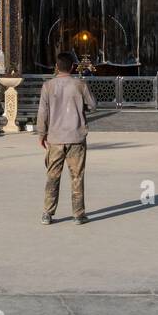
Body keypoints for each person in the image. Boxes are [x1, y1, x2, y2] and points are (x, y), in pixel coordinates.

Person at [38, 51, 97, 225]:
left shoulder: (47, 86)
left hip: (55, 138)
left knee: (52, 176)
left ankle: (47, 213)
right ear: (72, 67)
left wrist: (41, 134)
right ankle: (78, 214)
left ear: (57, 66)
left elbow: (43, 112)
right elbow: (93, 105)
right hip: (76, 137)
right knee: (77, 176)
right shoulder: (80, 85)